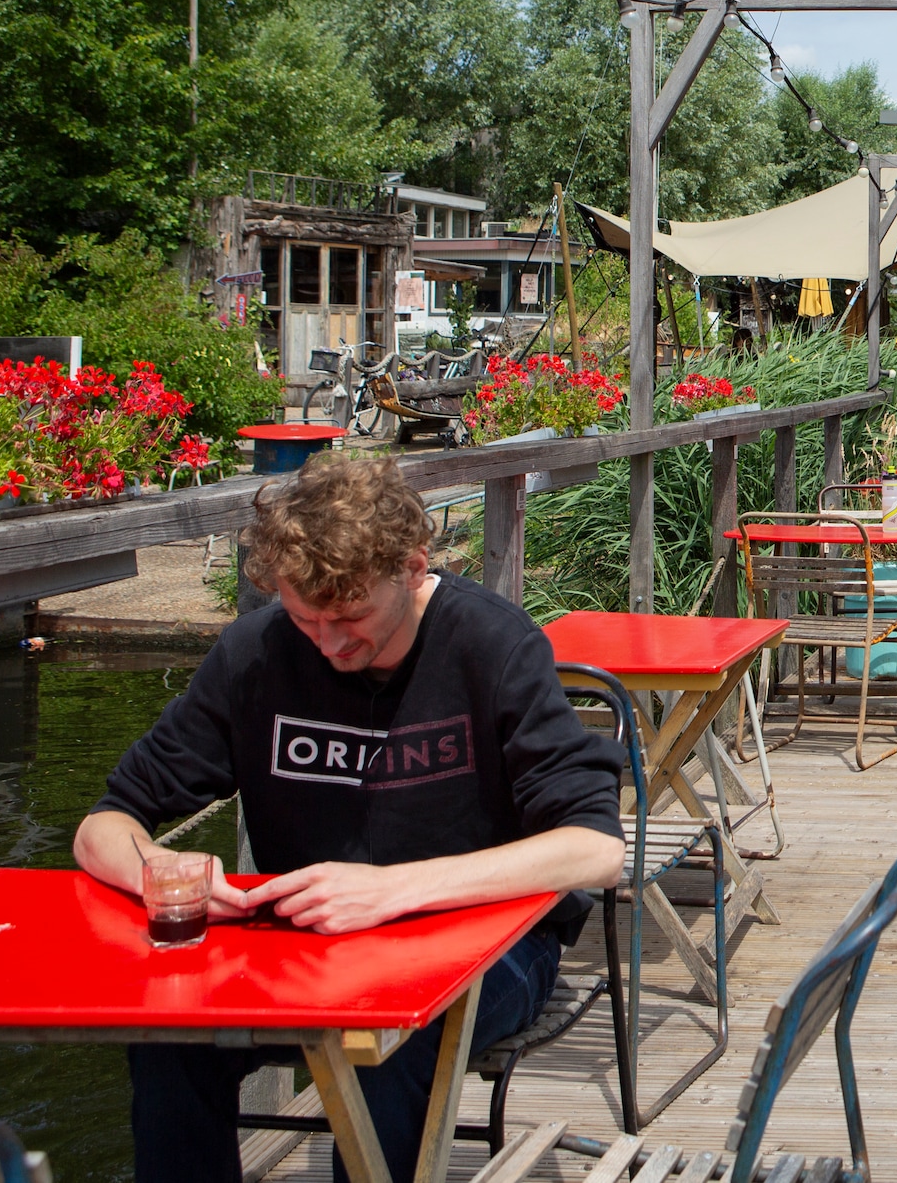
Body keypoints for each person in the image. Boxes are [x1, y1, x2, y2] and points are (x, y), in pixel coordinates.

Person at [75, 455, 626, 1183]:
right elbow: (103, 824)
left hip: (489, 951)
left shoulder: (492, 644)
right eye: (308, 618)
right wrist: (157, 869)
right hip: (301, 950)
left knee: (384, 1035)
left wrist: (394, 889)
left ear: (413, 567)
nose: (330, 644)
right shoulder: (257, 652)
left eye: (353, 617)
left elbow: (595, 848)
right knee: (169, 1030)